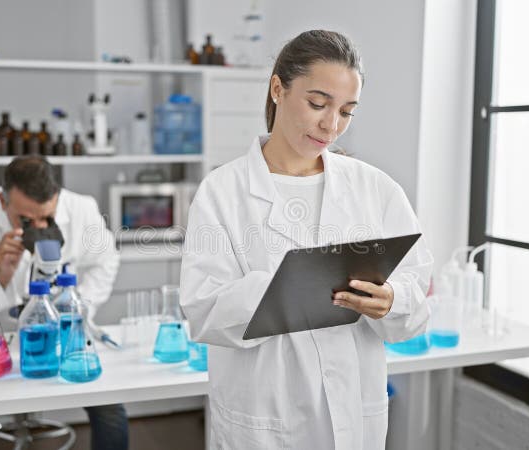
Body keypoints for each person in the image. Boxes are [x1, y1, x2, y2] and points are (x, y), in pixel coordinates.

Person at [180, 30, 433, 449]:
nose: (331, 125)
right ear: (278, 89)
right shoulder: (222, 192)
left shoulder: (376, 188)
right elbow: (203, 309)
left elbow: (417, 301)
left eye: (346, 111)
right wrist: (287, 288)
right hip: (263, 419)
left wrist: (392, 300)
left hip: (354, 411)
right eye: (317, 103)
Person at [0, 156, 128, 450]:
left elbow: (106, 260)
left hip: (60, 332)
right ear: (2, 201)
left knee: (110, 408)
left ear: (57, 199)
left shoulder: (82, 209)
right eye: (27, 220)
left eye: (48, 217)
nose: (40, 228)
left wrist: (76, 306)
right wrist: (0, 276)